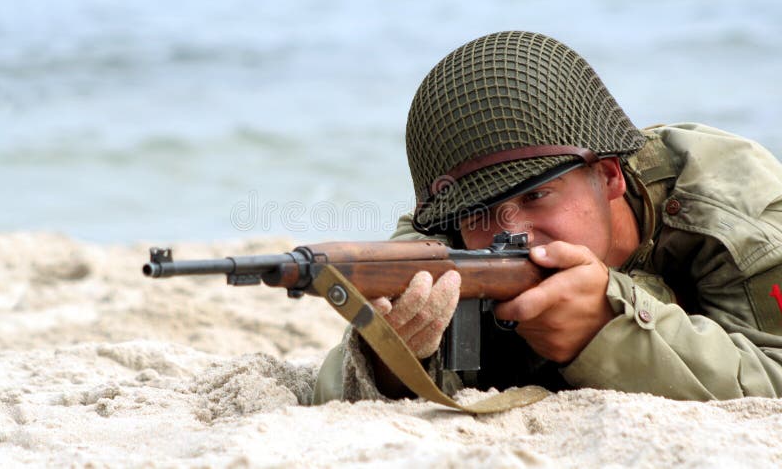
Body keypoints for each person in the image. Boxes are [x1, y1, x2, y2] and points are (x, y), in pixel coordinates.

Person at [313, 30, 782, 404]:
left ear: (610, 176)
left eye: (537, 196)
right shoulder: (441, 238)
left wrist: (605, 328)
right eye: (479, 212)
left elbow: (773, 378)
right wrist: (392, 358)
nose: (510, 231)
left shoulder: (730, 207)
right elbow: (337, 390)